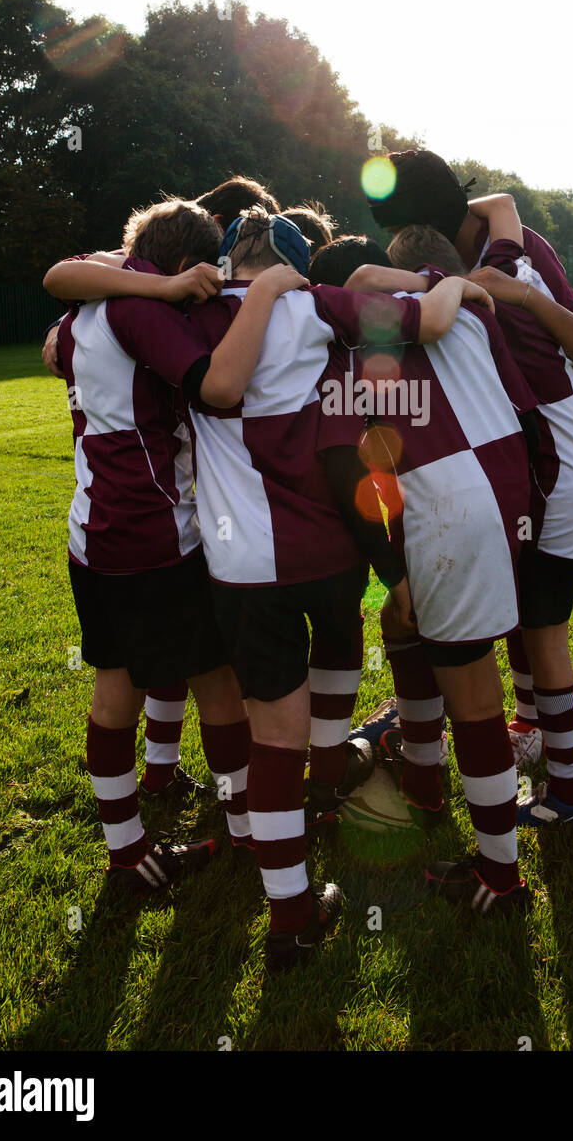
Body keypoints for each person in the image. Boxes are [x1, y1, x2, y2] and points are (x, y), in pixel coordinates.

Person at [180, 207, 494, 965]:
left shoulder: (185, 320)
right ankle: (324, 800)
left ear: (226, 259)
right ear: (296, 261)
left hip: (242, 567)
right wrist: (459, 286)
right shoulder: (318, 305)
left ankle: (289, 911)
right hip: (329, 555)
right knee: (329, 696)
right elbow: (424, 319)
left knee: (273, 737)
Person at [43, 198, 303, 894]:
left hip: (93, 529)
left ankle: (126, 852)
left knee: (116, 683)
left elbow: (62, 301)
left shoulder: (81, 315)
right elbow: (215, 387)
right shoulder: (144, 313)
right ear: (189, 265)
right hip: (157, 534)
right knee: (217, 683)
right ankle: (250, 829)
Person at [360, 150, 573, 826]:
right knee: (530, 622)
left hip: (552, 473)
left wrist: (494, 289)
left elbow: (364, 278)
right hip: (566, 465)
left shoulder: (473, 280)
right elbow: (499, 204)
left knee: (542, 632)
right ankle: (536, 741)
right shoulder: (518, 246)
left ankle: (568, 792)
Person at [311, 233, 539, 915]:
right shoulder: (460, 303)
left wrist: (393, 570)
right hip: (511, 490)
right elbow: (522, 405)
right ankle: (425, 782)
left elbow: (344, 464)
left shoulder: (343, 341)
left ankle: (499, 877)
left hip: (451, 508)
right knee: (408, 629)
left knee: (472, 695)